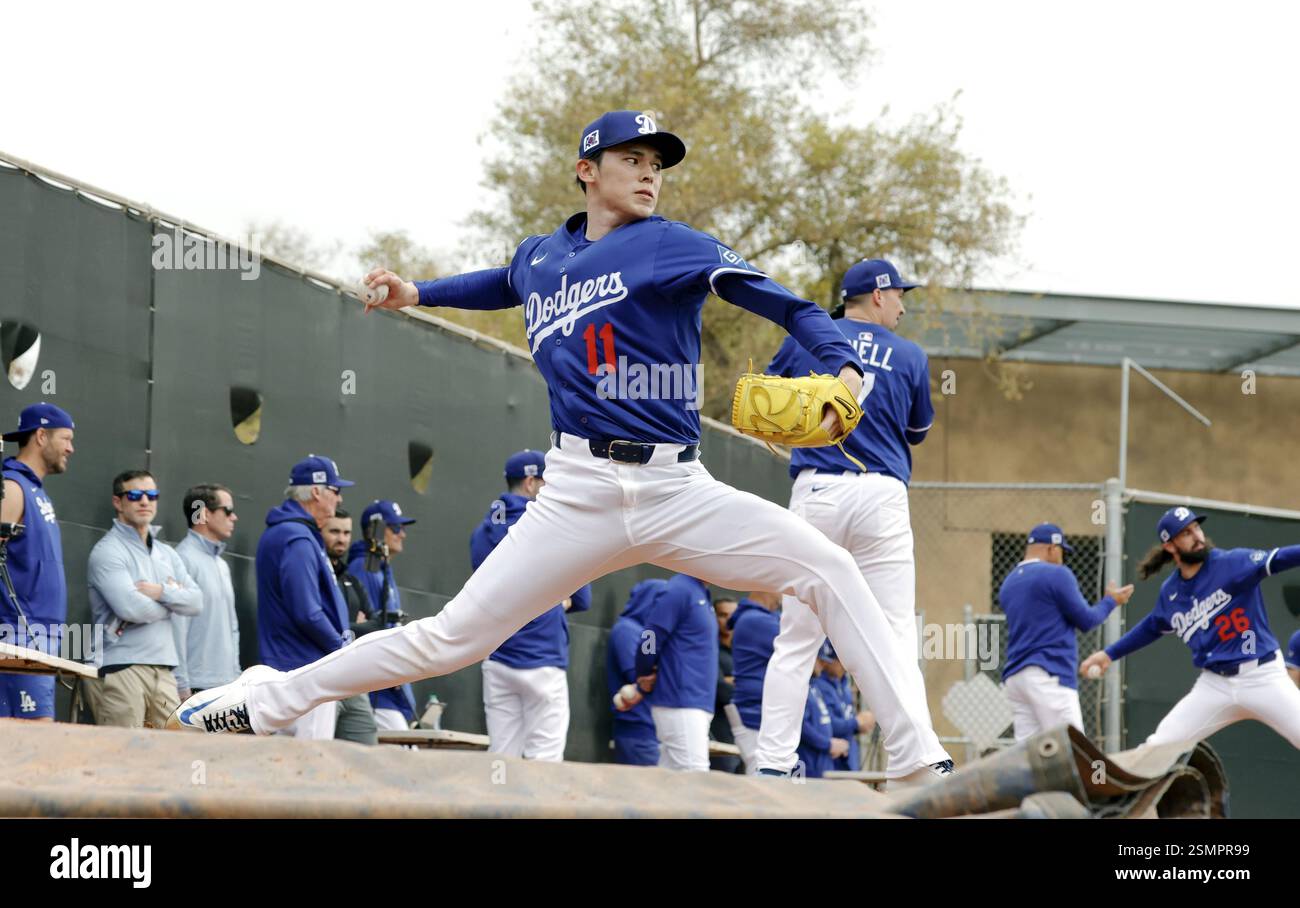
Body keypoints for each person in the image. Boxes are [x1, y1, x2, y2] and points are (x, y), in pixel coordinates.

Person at [168, 109, 954, 789]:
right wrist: (418, 293)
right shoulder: (542, 256)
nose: (649, 175)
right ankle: (264, 699)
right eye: (632, 160)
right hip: (575, 490)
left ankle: (919, 759)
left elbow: (780, 302)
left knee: (830, 569)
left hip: (679, 489)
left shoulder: (671, 245)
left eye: (656, 165)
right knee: (451, 639)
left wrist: (844, 364)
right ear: (588, 171)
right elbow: (502, 281)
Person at [755, 259, 949, 788]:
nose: (904, 305)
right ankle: (913, 764)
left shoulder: (810, 334)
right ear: (878, 296)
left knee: (797, 636)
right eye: (900, 295)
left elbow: (764, 400)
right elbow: (918, 431)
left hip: (818, 489)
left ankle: (772, 764)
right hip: (883, 496)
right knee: (894, 633)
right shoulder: (909, 354)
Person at [1081, 507, 1300, 750]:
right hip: (1216, 684)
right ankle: (1121, 789)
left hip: (1262, 675)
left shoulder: (1232, 563)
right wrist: (1108, 654)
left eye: (1196, 527)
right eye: (1186, 533)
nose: (1197, 536)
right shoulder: (1171, 592)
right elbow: (1153, 626)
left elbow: (1279, 558)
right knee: (1158, 748)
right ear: (1170, 546)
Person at [471, 451, 591, 760]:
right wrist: (553, 601)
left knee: (502, 757)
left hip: (497, 655)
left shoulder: (483, 531)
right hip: (542, 656)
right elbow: (583, 596)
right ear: (530, 482)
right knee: (545, 760)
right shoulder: (553, 522)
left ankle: (499, 810)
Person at [84, 470, 202, 727]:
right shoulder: (107, 551)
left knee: (172, 757)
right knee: (122, 758)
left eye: (151, 495)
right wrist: (173, 605)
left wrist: (161, 593)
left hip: (165, 671)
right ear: (118, 502)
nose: (145, 501)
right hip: (121, 668)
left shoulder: (167, 553)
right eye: (135, 495)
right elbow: (131, 609)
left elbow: (196, 602)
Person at [999, 523, 1132, 740]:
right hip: (1048, 674)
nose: (1063, 558)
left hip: (1016, 678)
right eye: (1062, 551)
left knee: (1032, 760)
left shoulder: (1009, 582)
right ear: (1052, 548)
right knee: (1073, 752)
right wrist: (1111, 601)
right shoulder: (1057, 574)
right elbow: (1087, 620)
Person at [252, 455, 354, 740]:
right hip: (306, 671)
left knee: (284, 768)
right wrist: (342, 649)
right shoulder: (297, 537)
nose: (339, 499)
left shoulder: (292, 532)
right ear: (316, 492)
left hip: (290, 668)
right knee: (310, 767)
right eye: (336, 491)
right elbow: (307, 612)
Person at [1, 403, 75, 721]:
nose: (71, 448)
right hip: (15, 640)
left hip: (38, 638)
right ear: (41, 436)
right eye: (66, 438)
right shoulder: (13, 487)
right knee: (30, 743)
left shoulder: (35, 491)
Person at [349, 499, 420, 733]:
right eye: (396, 528)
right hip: (377, 690)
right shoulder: (365, 568)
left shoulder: (380, 568)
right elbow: (368, 632)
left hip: (388, 686)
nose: (403, 535)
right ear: (377, 530)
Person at [634, 573, 718, 771]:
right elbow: (650, 636)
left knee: (669, 783)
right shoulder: (679, 589)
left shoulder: (700, 591)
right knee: (694, 777)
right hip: (681, 701)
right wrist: (644, 672)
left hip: (694, 702)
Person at [172, 483, 242, 700]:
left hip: (226, 686)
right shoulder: (181, 560)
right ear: (204, 514)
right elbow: (176, 629)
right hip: (195, 687)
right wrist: (181, 685)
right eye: (228, 511)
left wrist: (236, 678)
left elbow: (232, 628)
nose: (234, 517)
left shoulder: (221, 565)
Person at [321, 509, 378, 745]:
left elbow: (376, 625)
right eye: (334, 531)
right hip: (320, 674)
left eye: (346, 532)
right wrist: (355, 626)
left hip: (353, 678)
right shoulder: (315, 573)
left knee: (367, 749)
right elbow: (314, 620)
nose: (341, 538)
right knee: (317, 751)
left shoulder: (351, 580)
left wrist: (344, 628)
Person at [607, 578, 662, 766]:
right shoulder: (627, 629)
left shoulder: (649, 633)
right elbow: (639, 675)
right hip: (638, 730)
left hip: (654, 730)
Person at [727, 590, 782, 773]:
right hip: (754, 714)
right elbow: (809, 662)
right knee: (765, 777)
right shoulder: (756, 619)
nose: (782, 597)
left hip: (760, 713)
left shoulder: (759, 617)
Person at [811, 641, 874, 772]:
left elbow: (845, 718)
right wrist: (856, 722)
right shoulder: (817, 683)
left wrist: (858, 726)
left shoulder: (843, 681)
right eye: (835, 660)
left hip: (849, 756)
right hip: (831, 761)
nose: (828, 664)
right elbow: (827, 725)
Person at [709, 596, 740, 772]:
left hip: (742, 732)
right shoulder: (709, 647)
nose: (728, 620)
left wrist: (732, 681)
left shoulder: (742, 650)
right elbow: (721, 690)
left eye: (732, 615)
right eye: (722, 615)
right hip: (718, 732)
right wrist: (744, 685)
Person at [796, 667, 842, 780]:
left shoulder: (814, 685)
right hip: (806, 764)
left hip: (823, 764)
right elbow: (801, 725)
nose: (821, 665)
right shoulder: (798, 685)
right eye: (819, 660)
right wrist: (828, 744)